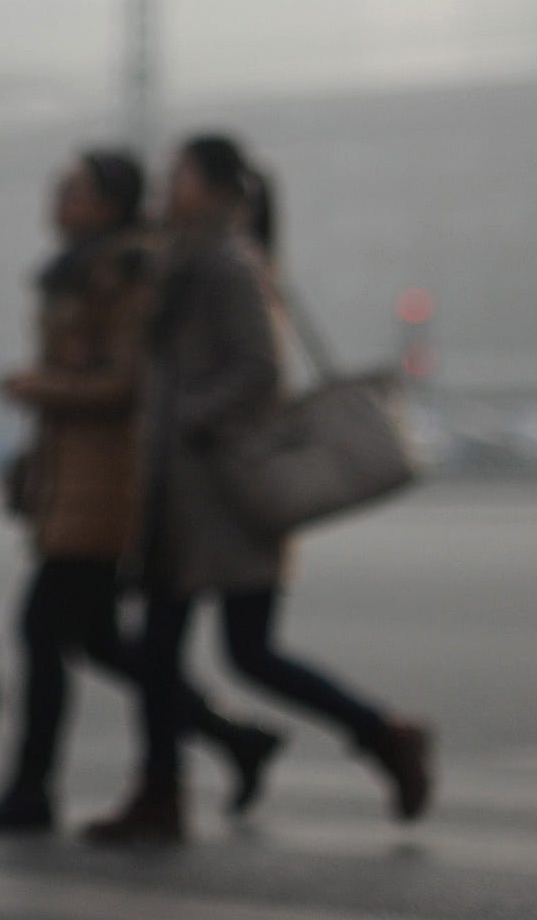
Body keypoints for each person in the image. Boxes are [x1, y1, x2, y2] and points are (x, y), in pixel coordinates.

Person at [82, 134, 434, 846]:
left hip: (226, 499)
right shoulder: (185, 258)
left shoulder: (227, 263)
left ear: (214, 187)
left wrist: (187, 419)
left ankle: (384, 733)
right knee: (169, 650)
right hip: (188, 498)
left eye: (179, 174)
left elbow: (260, 369)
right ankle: (162, 793)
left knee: (244, 653)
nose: (165, 186)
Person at [0, 150, 282, 834]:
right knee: (102, 641)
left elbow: (130, 383)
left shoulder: (127, 269)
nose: (58, 200)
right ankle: (234, 737)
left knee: (45, 629)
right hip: (73, 478)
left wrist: (40, 387)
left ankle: (31, 791)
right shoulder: (82, 267)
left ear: (110, 202)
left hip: (112, 486)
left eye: (73, 189)